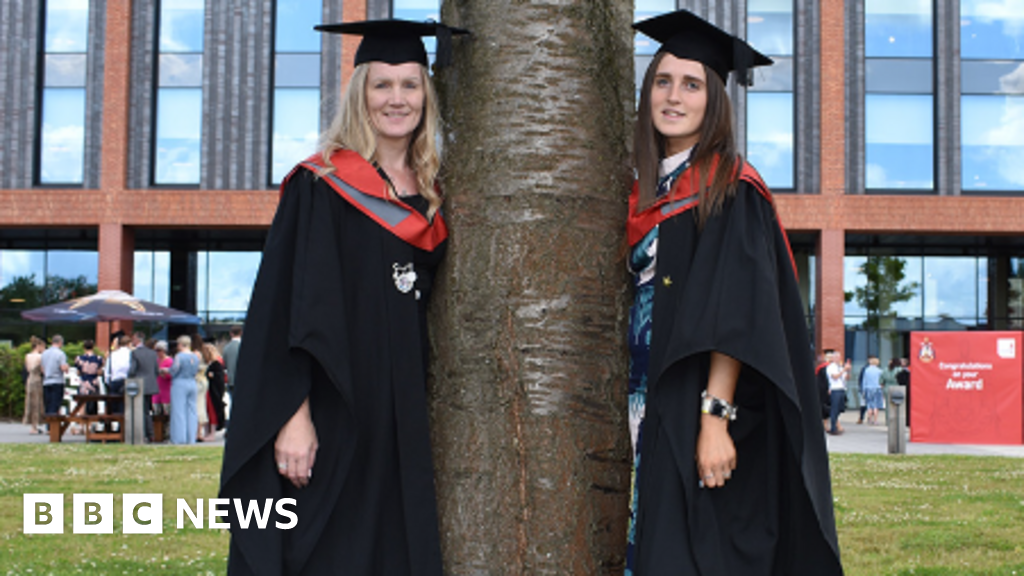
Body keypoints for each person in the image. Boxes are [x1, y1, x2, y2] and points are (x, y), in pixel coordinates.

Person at [219, 18, 467, 576]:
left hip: (406, 412)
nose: (397, 99)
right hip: (336, 409)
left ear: (427, 93)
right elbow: (282, 310)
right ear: (361, 94)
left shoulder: (438, 192)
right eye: (382, 84)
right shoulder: (321, 186)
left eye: (410, 84)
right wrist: (292, 417)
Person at [624, 10, 842, 575]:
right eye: (663, 81)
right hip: (641, 396)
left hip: (692, 397)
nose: (674, 97)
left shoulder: (728, 189)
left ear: (714, 100)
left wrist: (714, 418)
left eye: (692, 85)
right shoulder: (648, 185)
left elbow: (735, 314)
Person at [129, 332, 160, 442]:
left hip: (139, 384)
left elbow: (132, 370)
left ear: (137, 340)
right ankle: (150, 433)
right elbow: (156, 370)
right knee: (147, 410)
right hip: (151, 384)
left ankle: (141, 434)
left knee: (140, 410)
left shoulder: (135, 353)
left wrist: (130, 378)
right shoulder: (153, 353)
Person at [169, 334, 199, 444]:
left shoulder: (179, 356)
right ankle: (191, 438)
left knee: (178, 411)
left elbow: (174, 369)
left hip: (180, 383)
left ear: (181, 344)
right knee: (192, 411)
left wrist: (166, 371)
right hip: (192, 382)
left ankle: (179, 438)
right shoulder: (195, 356)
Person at [40, 334, 69, 416]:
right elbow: (63, 368)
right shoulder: (60, 354)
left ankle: (48, 426)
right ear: (60, 343)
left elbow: (42, 369)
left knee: (48, 404)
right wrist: (67, 367)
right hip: (57, 381)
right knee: (55, 404)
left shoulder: (44, 353)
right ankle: (53, 427)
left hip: (46, 381)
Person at [23, 336, 45, 434]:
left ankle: (32, 424)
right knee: (37, 402)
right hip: (36, 379)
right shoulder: (40, 357)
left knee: (30, 402)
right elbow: (43, 370)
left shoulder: (27, 356)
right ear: (38, 346)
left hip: (29, 380)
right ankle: (35, 426)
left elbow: (28, 369)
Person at [203, 342, 227, 435]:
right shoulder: (218, 362)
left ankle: (211, 432)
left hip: (212, 390)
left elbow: (218, 378)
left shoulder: (215, 364)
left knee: (211, 410)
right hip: (212, 390)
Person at [105, 333, 131, 415]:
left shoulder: (113, 354)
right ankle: (123, 426)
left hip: (115, 381)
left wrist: (108, 382)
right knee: (127, 406)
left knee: (114, 406)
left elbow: (107, 370)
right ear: (128, 344)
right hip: (128, 381)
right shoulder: (132, 354)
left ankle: (115, 423)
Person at [221, 325, 242, 426]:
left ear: (231, 333)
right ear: (241, 333)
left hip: (231, 379)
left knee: (233, 404)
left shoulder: (226, 348)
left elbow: (224, 364)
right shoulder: (244, 346)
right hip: (243, 381)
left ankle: (233, 426)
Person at [827, 353, 850, 435]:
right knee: (835, 408)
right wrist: (843, 370)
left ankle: (835, 422)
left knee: (841, 408)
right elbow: (835, 377)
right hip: (835, 389)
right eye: (836, 357)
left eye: (839, 357)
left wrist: (847, 371)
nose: (838, 358)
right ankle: (833, 428)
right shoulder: (831, 367)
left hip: (842, 388)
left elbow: (846, 378)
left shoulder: (840, 367)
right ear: (832, 358)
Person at [861, 355, 884, 425]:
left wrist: (863, 390)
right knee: (876, 405)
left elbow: (864, 381)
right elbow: (881, 380)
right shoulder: (879, 371)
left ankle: (870, 419)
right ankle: (875, 420)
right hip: (877, 388)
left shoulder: (866, 370)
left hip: (868, 388)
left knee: (869, 405)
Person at [154, 340, 173, 416]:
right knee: (156, 411)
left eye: (159, 350)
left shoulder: (170, 361)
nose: (157, 352)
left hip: (166, 389)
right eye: (156, 350)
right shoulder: (156, 360)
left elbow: (172, 375)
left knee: (167, 412)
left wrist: (163, 373)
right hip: (157, 389)